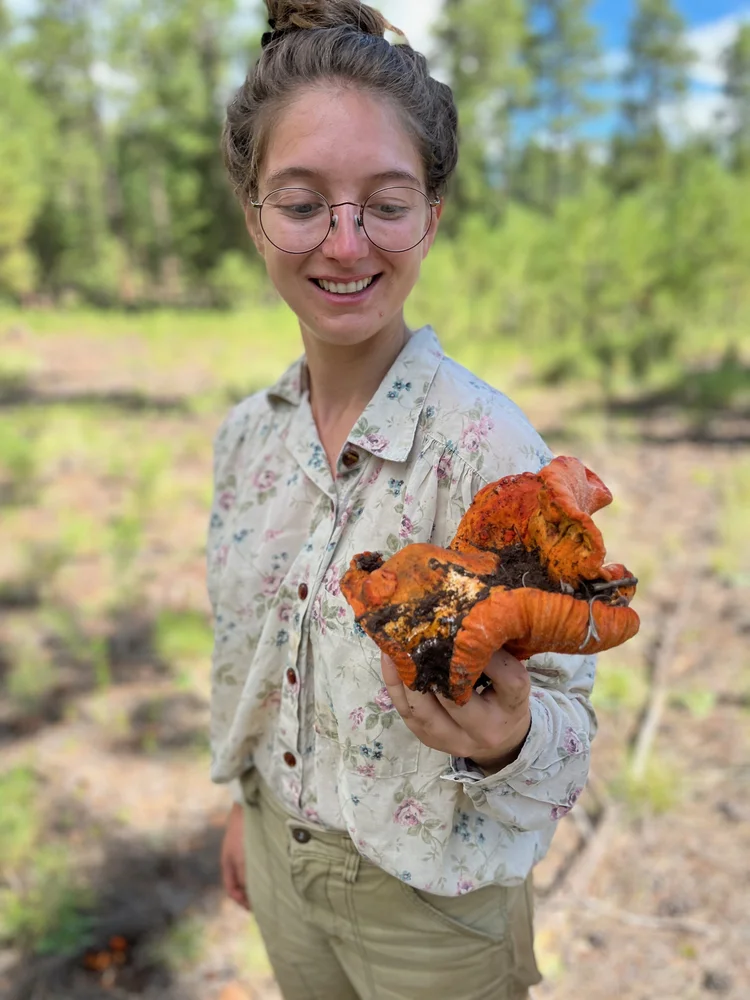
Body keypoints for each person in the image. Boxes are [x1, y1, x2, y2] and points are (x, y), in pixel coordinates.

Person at [208, 2, 597, 997]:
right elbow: (253, 653)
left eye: (386, 202)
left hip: (433, 898)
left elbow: (567, 723)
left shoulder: (489, 453)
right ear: (253, 211)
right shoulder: (247, 441)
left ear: (433, 211)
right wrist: (247, 803)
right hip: (282, 862)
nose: (345, 246)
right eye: (301, 204)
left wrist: (508, 736)